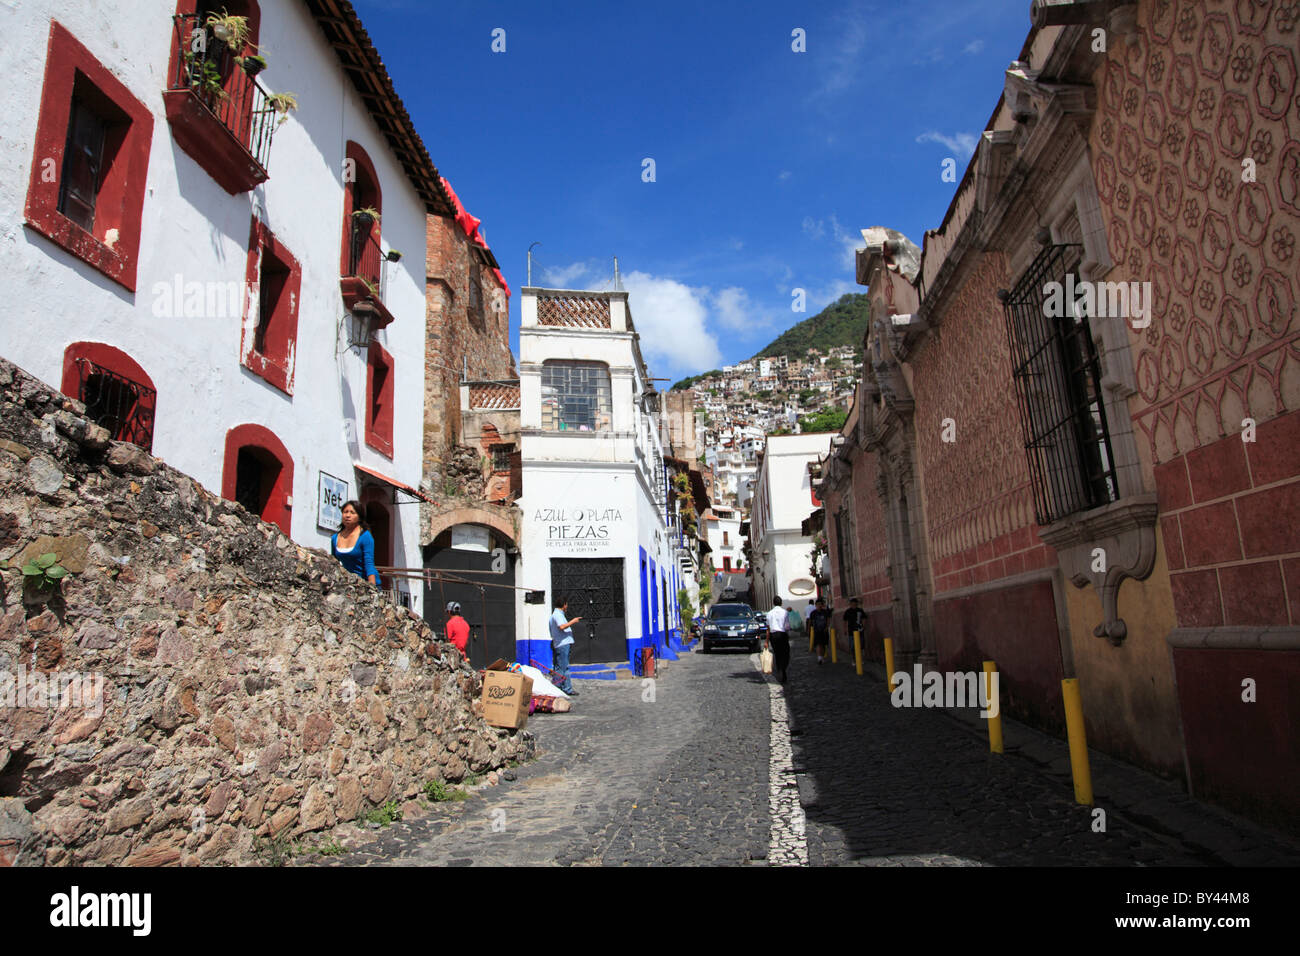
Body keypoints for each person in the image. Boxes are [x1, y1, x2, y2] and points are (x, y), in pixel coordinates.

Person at [331, 500, 378, 585]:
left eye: (352, 513)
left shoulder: (365, 536)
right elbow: (333, 563)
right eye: (345, 512)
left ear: (359, 517)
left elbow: (369, 563)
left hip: (365, 583)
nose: (348, 515)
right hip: (348, 583)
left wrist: (373, 588)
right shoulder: (335, 538)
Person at [549, 595, 583, 696]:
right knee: (561, 667)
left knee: (565, 667)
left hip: (563, 643)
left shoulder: (558, 614)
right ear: (564, 605)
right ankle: (556, 688)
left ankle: (567, 688)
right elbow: (562, 626)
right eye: (566, 604)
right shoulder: (557, 615)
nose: (567, 606)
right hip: (562, 644)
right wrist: (573, 621)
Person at [765, 596, 790, 683]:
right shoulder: (785, 612)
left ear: (773, 603)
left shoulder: (769, 614)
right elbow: (787, 626)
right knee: (785, 653)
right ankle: (783, 668)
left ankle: (779, 668)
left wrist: (766, 642)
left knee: (777, 653)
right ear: (781, 603)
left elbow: (768, 629)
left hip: (773, 636)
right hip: (782, 634)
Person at [808, 597, 832, 665]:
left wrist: (827, 627)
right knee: (818, 644)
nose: (819, 605)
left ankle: (822, 656)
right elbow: (810, 621)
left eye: (820, 604)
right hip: (817, 631)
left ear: (822, 605)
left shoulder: (825, 612)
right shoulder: (813, 613)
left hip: (824, 631)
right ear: (815, 605)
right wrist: (809, 629)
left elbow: (828, 620)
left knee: (824, 645)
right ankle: (819, 658)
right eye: (818, 604)